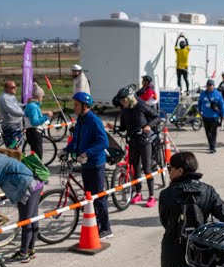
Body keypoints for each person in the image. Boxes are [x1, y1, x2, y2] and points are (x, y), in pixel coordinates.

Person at [62, 91, 113, 240]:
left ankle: (106, 228)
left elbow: (104, 142)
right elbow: (76, 139)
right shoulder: (81, 120)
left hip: (95, 162)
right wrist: (66, 149)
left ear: (85, 106)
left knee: (98, 196)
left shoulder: (94, 120)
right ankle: (94, 222)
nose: (74, 107)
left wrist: (87, 153)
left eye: (77, 104)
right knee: (89, 196)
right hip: (85, 163)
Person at [0, 146, 47, 262]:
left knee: (26, 221)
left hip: (28, 187)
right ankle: (30, 249)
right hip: (35, 184)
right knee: (33, 218)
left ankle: (23, 253)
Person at [115, 86, 161, 207]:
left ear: (129, 98)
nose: (121, 103)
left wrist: (149, 126)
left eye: (123, 100)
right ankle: (138, 192)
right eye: (121, 101)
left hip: (144, 141)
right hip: (132, 141)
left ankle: (151, 196)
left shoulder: (141, 105)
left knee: (147, 168)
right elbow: (123, 127)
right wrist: (114, 128)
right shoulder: (124, 110)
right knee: (135, 168)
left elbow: (157, 117)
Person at [198, 79, 224, 153]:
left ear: (213, 86)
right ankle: (211, 144)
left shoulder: (218, 94)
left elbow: (222, 105)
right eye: (208, 85)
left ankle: (212, 147)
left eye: (211, 85)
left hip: (214, 116)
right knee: (207, 132)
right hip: (205, 116)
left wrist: (223, 115)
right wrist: (199, 110)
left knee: (213, 132)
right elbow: (199, 102)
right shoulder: (203, 94)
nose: (209, 87)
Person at [23, 84, 49, 159]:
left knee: (36, 154)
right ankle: (37, 169)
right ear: (38, 97)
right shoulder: (33, 107)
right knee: (38, 155)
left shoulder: (32, 105)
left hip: (33, 132)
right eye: (42, 96)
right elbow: (34, 122)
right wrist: (46, 117)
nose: (43, 98)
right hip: (34, 133)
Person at [0, 80, 25, 147]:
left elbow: (17, 104)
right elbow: (11, 111)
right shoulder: (4, 98)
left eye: (15, 87)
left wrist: (25, 105)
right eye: (13, 87)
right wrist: (25, 113)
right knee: (13, 148)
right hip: (10, 126)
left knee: (19, 145)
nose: (15, 88)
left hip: (17, 124)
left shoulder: (11, 96)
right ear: (7, 88)